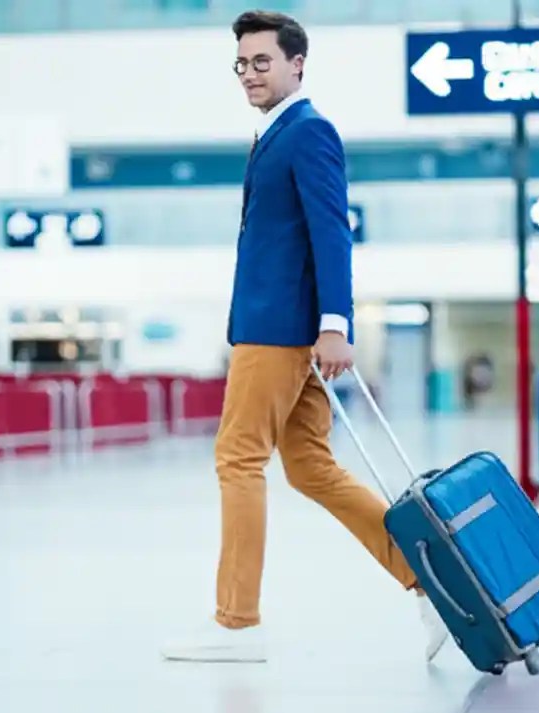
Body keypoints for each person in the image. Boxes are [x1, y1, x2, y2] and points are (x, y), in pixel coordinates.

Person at [160, 9, 448, 664]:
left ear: (296, 65)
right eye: (242, 63)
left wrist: (335, 324)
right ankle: (428, 582)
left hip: (278, 333)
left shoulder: (309, 132)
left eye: (262, 61)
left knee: (238, 460)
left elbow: (331, 231)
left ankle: (237, 623)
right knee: (312, 469)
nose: (249, 74)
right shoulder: (273, 134)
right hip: (284, 329)